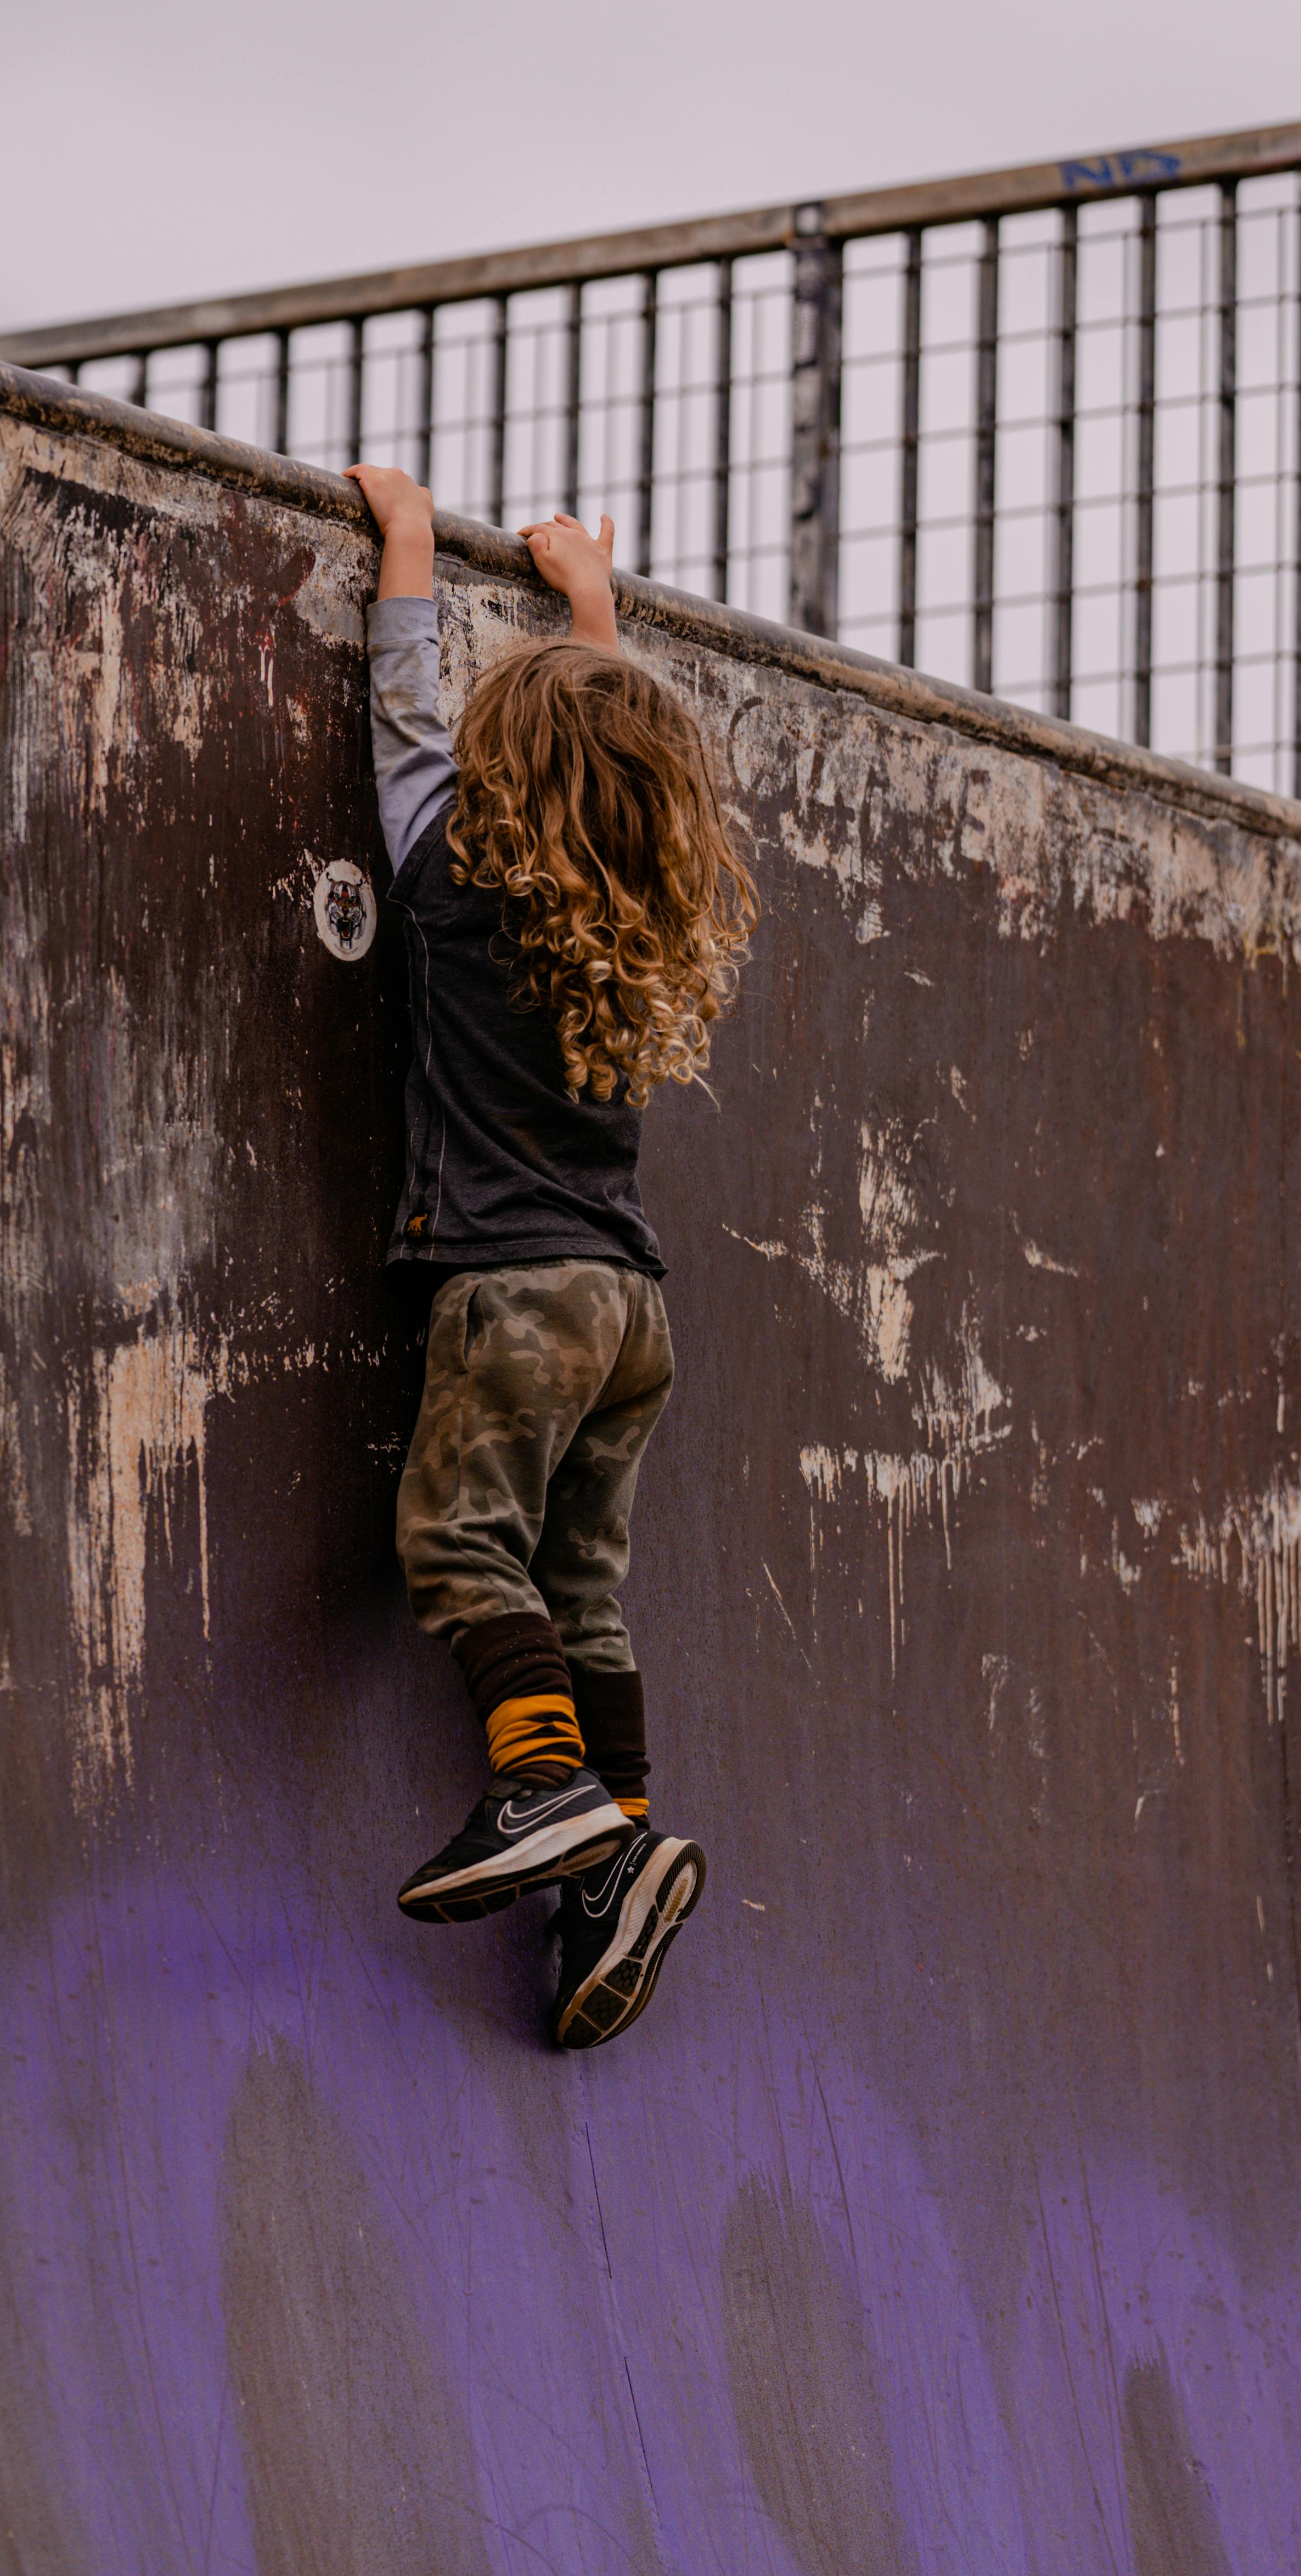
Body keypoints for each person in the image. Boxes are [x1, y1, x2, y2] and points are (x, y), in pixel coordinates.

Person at [350, 460, 755, 2049]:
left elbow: (398, 720)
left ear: (497, 763)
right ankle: (616, 1863)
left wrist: (402, 545)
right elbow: (612, 740)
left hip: (510, 1287)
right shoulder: (641, 906)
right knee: (581, 1594)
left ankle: (539, 1788)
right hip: (630, 1306)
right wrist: (588, 601)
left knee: (458, 1544)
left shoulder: (453, 878)